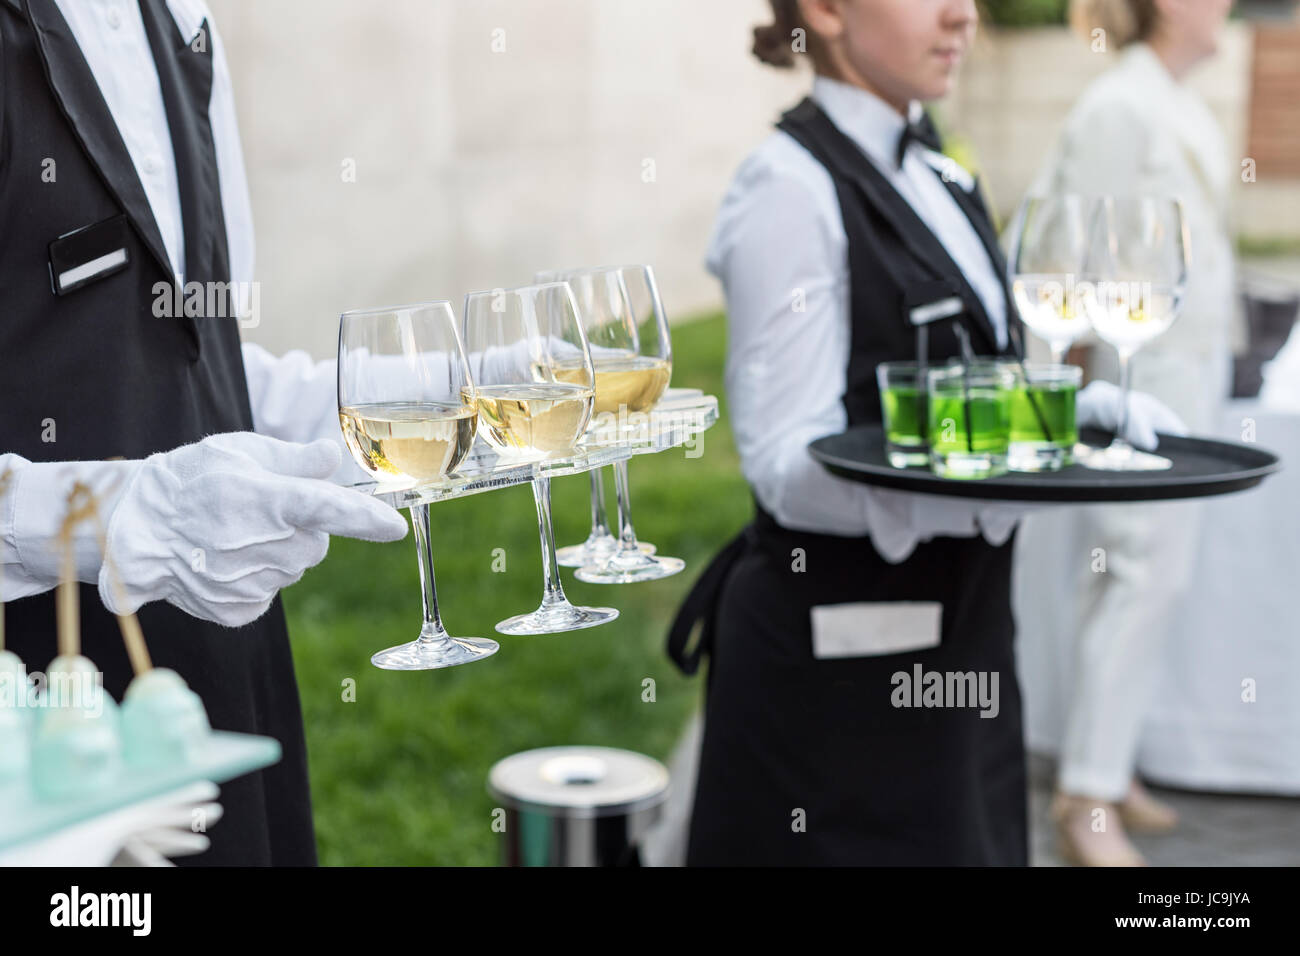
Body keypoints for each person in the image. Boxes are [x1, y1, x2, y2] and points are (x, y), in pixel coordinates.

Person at [666, 0, 1186, 866]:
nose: (964, 15)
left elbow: (968, 377)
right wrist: (986, 489)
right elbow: (784, 467)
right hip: (839, 685)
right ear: (826, 12)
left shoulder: (936, 163)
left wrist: (1068, 416)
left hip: (968, 651)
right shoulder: (786, 190)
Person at [0, 0, 408, 865]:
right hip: (37, 725)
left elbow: (200, 363)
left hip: (222, 678)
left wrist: (424, 384)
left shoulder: (186, 21)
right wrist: (125, 517)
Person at [1015, 0, 1238, 867]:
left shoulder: (1173, 100)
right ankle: (1086, 800)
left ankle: (1103, 764)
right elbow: (1073, 262)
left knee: (1135, 580)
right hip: (1141, 383)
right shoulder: (1119, 107)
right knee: (1139, 577)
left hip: (1188, 376)